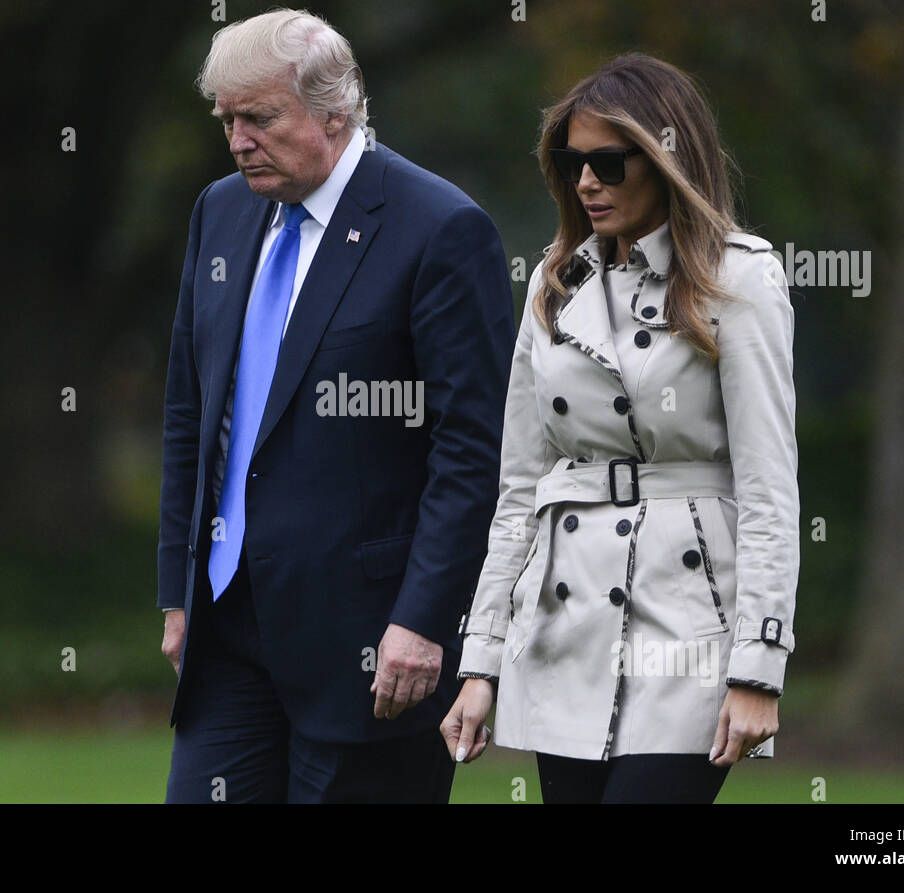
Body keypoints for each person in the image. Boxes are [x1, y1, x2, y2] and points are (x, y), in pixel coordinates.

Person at [158, 9, 514, 803]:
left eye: (259, 117)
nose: (239, 139)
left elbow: (473, 451)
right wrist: (177, 593)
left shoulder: (441, 229)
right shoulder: (219, 212)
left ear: (336, 110)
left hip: (374, 643)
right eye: (226, 120)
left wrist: (426, 619)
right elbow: (191, 411)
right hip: (227, 633)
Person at [440, 53, 800, 803]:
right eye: (572, 163)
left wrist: (759, 664)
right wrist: (480, 661)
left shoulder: (739, 280)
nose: (586, 183)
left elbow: (769, 492)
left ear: (668, 156)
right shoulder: (553, 283)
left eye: (608, 161)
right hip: (564, 632)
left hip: (689, 632)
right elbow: (518, 492)